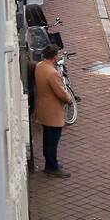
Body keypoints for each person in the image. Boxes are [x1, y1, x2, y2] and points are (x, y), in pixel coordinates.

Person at [33, 44, 73, 177]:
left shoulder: (39, 66)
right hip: (52, 111)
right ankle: (52, 166)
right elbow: (60, 92)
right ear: (55, 56)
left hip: (42, 108)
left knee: (47, 138)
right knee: (53, 140)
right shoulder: (52, 73)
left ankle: (50, 164)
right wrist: (68, 99)